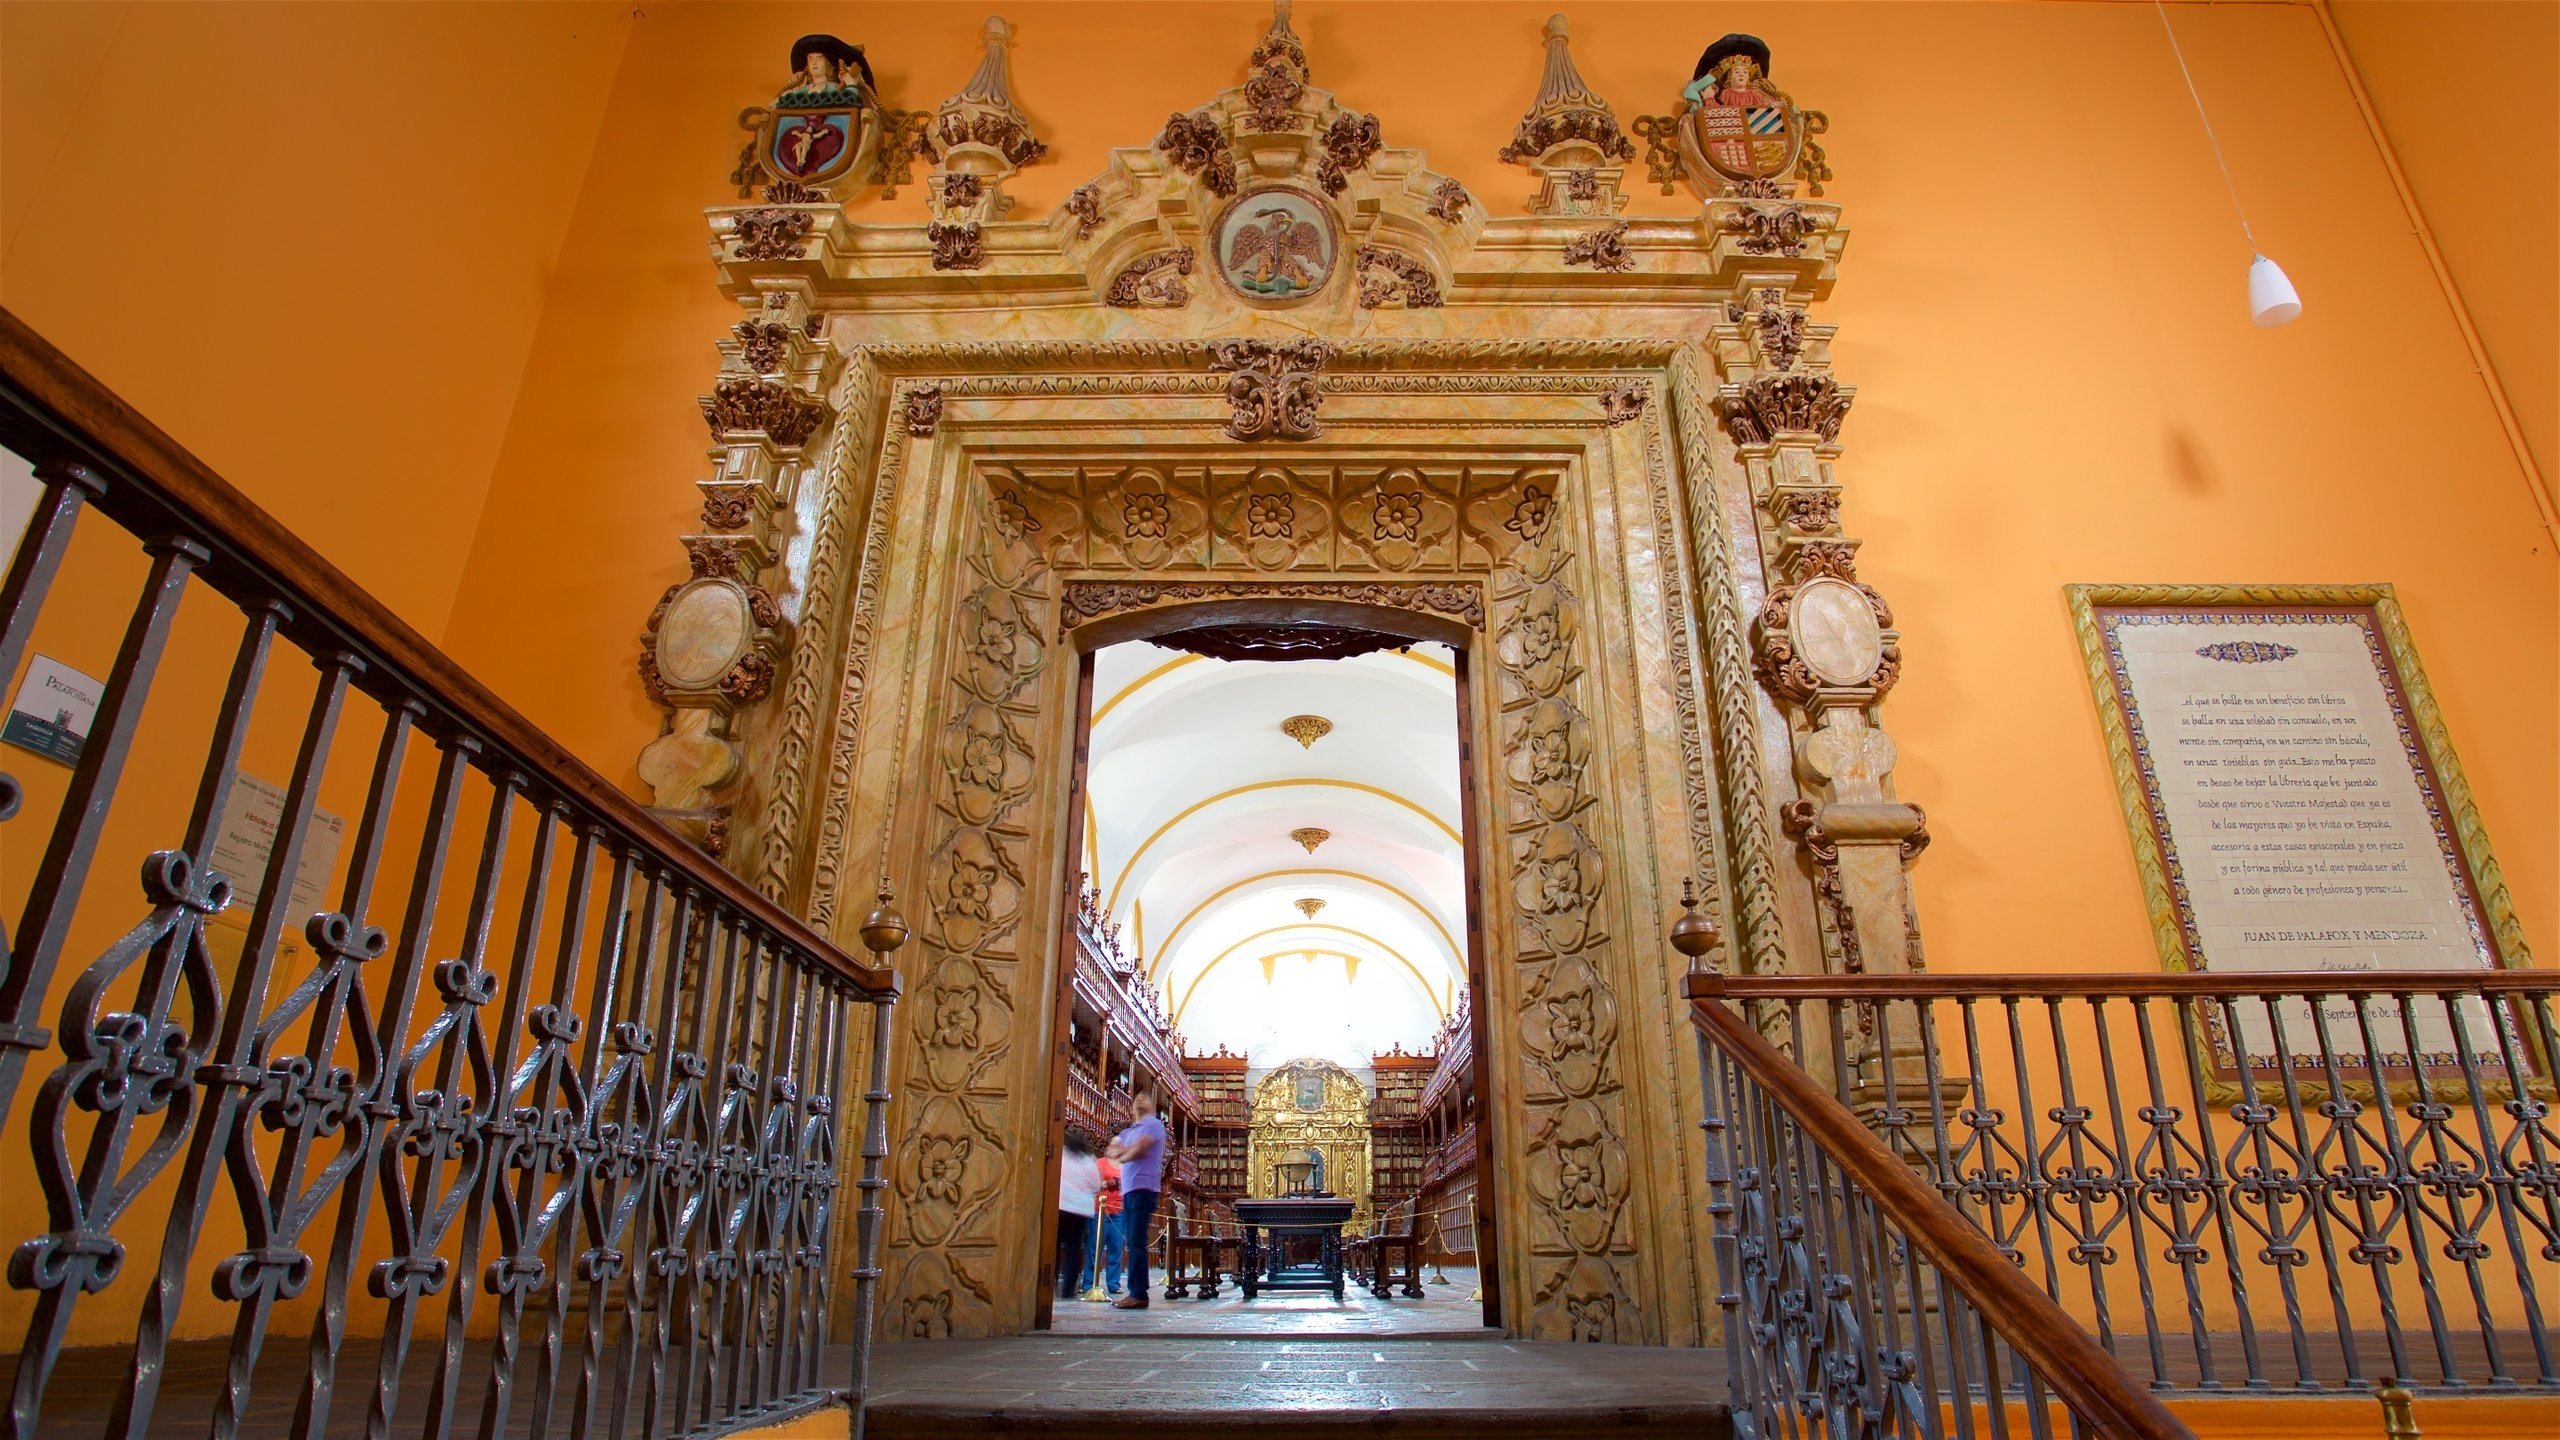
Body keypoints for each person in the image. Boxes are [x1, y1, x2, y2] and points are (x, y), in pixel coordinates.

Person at [1104, 1091, 1169, 1309]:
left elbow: (1139, 1151)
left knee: (1136, 1241)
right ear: (1132, 1107)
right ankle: (1136, 1291)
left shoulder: (1154, 1125)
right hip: (1129, 1189)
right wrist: (1126, 1152)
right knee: (1132, 1241)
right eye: (1137, 1097)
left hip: (1144, 1188)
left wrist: (1124, 1153)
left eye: (1145, 1097)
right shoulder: (1129, 1131)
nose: (1140, 1099)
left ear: (1152, 1106)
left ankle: (1139, 1293)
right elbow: (1111, 1152)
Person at [1056, 1130, 1102, 1301]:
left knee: (1054, 1247)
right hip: (1079, 1211)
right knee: (1074, 1250)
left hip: (1060, 1206)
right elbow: (1096, 1185)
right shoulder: (1089, 1162)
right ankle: (1068, 1289)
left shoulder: (1061, 1156)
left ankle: (1050, 1282)